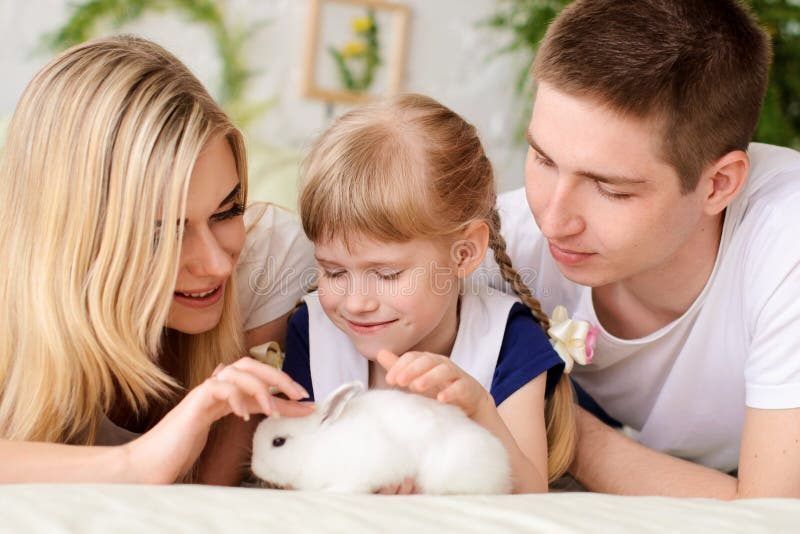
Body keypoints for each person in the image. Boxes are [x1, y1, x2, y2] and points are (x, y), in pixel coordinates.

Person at [492, 0, 800, 498]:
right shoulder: (502, 242)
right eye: (543, 159)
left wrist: (551, 418)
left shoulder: (787, 238)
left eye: (611, 189)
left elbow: (772, 513)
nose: (553, 219)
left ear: (718, 184)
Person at [0, 35, 316, 485]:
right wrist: (134, 464)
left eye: (227, 211)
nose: (217, 265)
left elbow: (213, 496)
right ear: (75, 239)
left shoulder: (265, 261)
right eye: (161, 235)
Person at [282, 93, 582, 493]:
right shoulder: (312, 330)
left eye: (386, 274)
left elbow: (531, 494)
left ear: (465, 253)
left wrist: (479, 409)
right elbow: (292, 474)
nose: (355, 302)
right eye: (333, 271)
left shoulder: (507, 339)